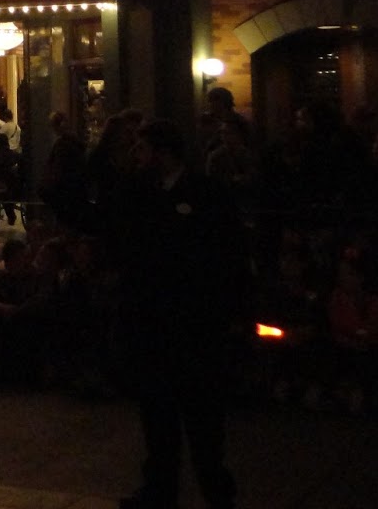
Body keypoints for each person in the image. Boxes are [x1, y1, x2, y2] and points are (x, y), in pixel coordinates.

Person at [112, 118, 249, 509]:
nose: (137, 157)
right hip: (154, 324)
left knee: (204, 420)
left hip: (195, 324)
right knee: (158, 417)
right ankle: (160, 489)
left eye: (143, 150)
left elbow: (229, 255)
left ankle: (216, 492)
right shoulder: (140, 194)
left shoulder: (206, 194)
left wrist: (231, 312)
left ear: (164, 152)